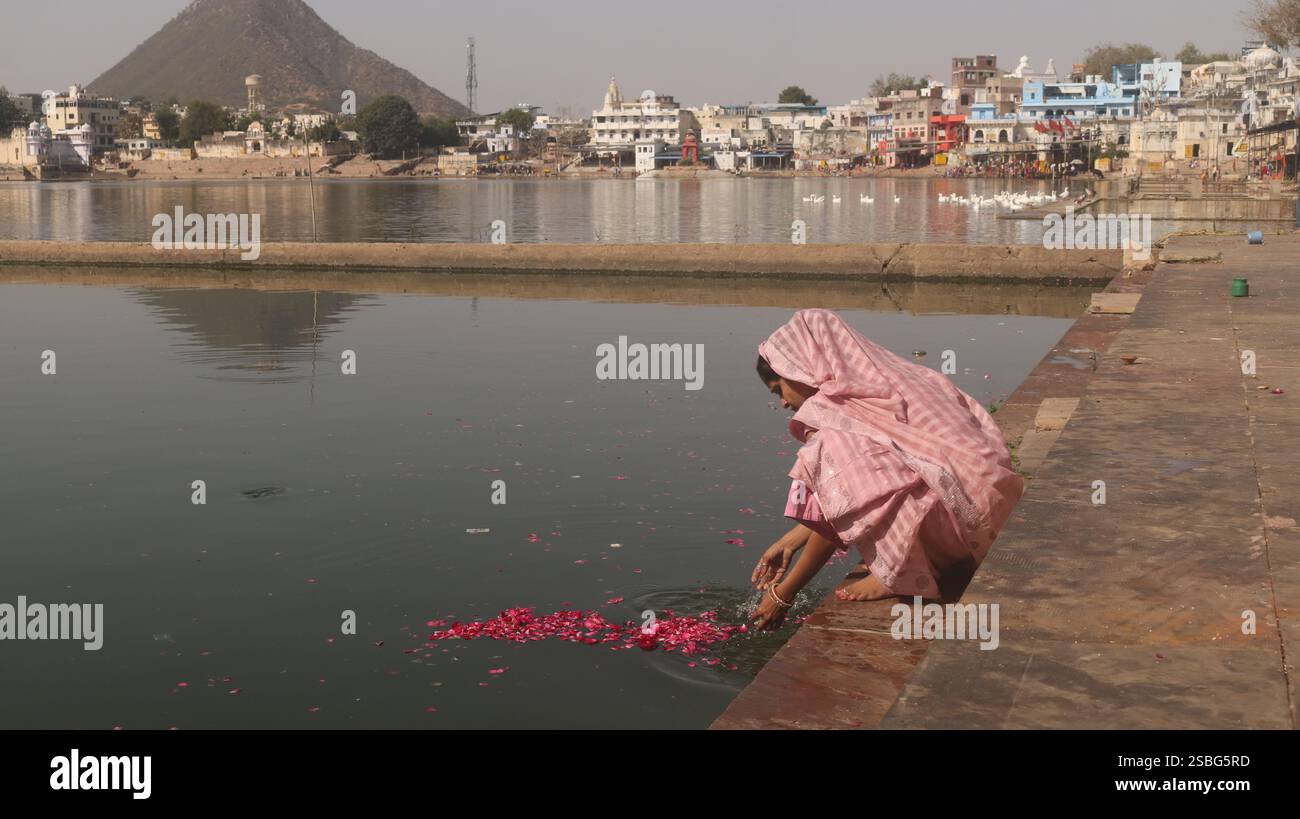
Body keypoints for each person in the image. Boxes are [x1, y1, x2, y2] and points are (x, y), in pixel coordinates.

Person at [749, 310, 1024, 630]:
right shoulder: (903, 379)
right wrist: (790, 542)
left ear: (796, 369)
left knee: (850, 478)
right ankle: (922, 556)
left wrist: (784, 594)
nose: (783, 403)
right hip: (993, 507)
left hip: (958, 529)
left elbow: (845, 510)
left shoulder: (835, 425)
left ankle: (903, 571)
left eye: (778, 390)